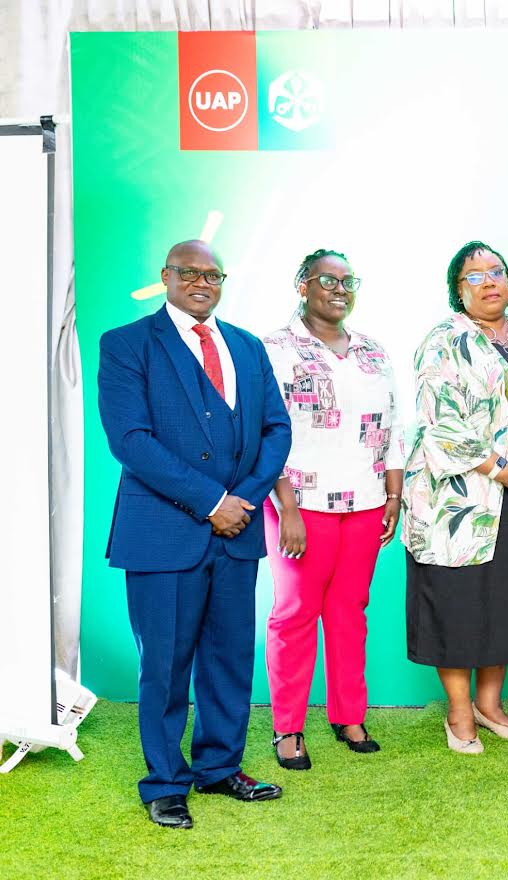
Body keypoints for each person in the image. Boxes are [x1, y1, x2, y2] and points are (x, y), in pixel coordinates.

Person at [98, 240, 291, 828]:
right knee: (164, 664)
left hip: (237, 532)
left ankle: (220, 767)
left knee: (229, 658)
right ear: (166, 276)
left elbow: (276, 429)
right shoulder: (127, 344)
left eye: (213, 275)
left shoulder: (247, 347)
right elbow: (130, 440)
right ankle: (164, 782)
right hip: (162, 535)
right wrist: (212, 503)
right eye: (189, 272)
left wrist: (243, 500)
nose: (202, 282)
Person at [403, 241, 508, 755]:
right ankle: (460, 710)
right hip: (458, 500)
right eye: (474, 275)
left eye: (497, 272)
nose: (489, 282)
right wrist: (500, 470)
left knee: (505, 599)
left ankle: (490, 704)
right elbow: (440, 422)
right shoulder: (443, 341)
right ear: (457, 289)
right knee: (457, 603)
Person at [262, 249, 404, 770]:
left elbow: (393, 425)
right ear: (303, 285)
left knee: (348, 610)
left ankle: (349, 716)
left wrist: (393, 496)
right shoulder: (274, 349)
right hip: (300, 504)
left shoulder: (372, 351)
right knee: (296, 613)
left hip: (366, 502)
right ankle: (288, 727)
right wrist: (287, 507)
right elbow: (264, 431)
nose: (340, 289)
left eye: (349, 281)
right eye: (328, 280)